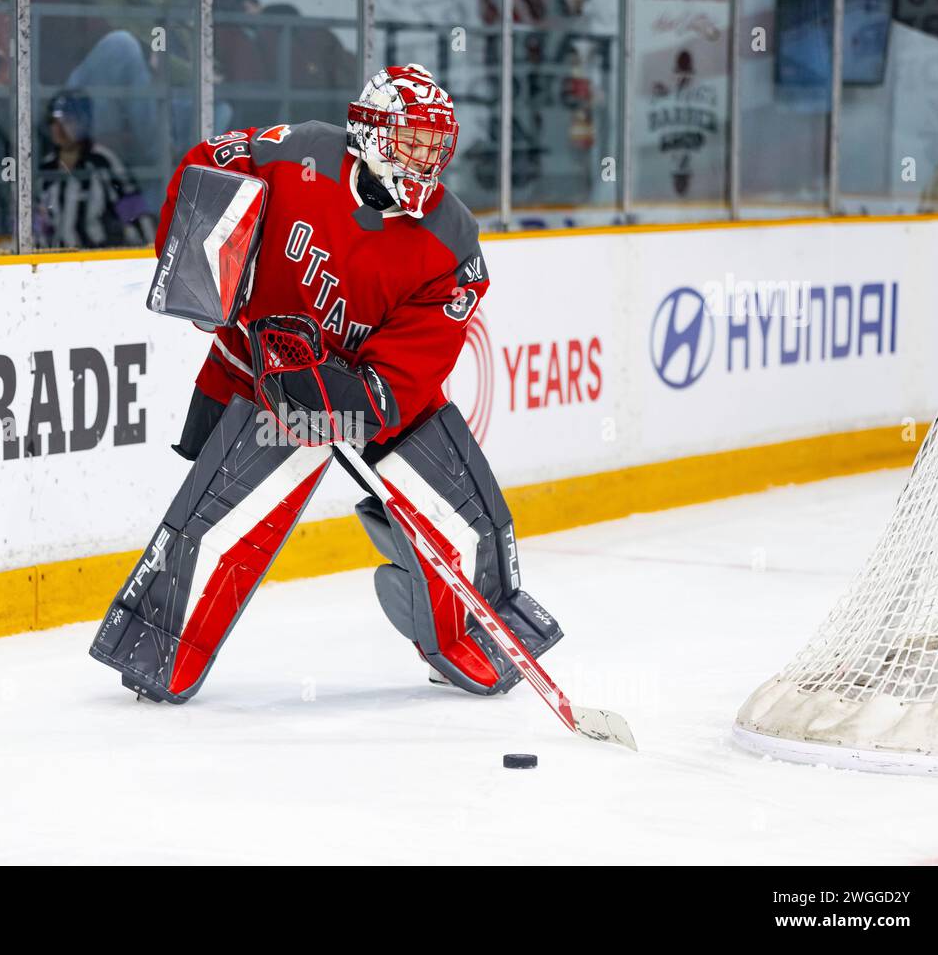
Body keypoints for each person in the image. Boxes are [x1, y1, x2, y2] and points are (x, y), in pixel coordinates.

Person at [90, 64, 565, 704]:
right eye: (409, 143)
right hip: (263, 378)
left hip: (367, 392)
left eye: (434, 148)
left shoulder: (452, 244)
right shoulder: (297, 154)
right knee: (216, 529)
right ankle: (160, 643)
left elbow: (409, 374)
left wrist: (340, 398)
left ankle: (472, 635)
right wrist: (208, 280)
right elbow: (207, 167)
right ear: (368, 132)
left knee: (469, 524)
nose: (423, 162)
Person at [34, 90, 155, 249]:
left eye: (67, 120)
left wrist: (149, 249)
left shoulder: (103, 161)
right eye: (54, 121)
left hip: (99, 261)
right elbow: (36, 222)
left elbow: (134, 211)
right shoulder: (46, 167)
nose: (59, 129)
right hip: (57, 264)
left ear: (83, 121)